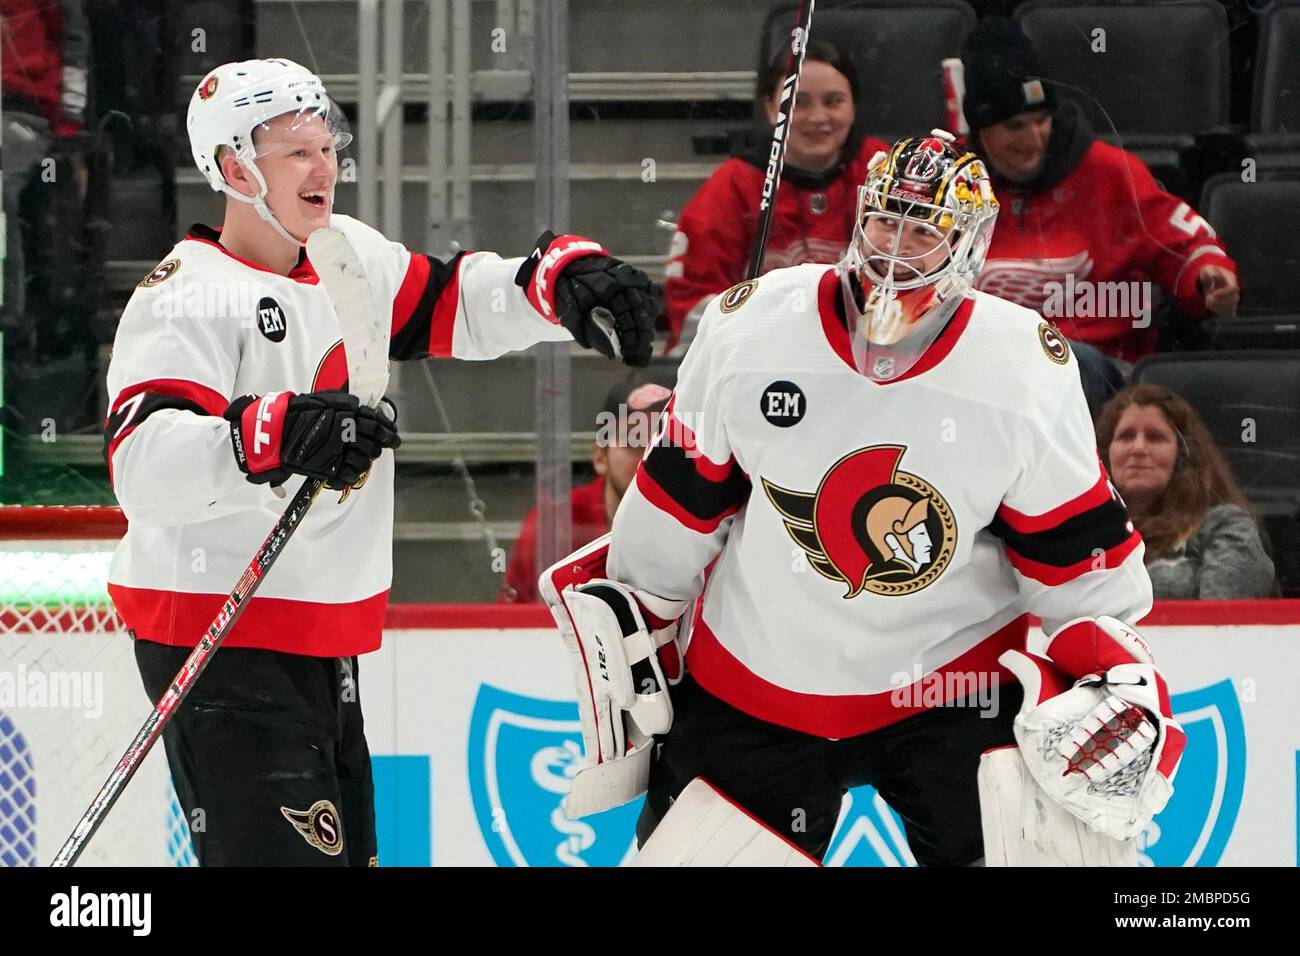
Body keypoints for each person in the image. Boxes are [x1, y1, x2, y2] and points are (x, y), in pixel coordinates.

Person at [546, 132, 1184, 865]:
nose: (897, 245)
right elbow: (677, 511)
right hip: (759, 684)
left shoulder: (1022, 367)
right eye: (887, 218)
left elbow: (1077, 562)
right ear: (860, 217)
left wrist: (1114, 676)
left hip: (954, 693)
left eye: (924, 227)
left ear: (969, 244)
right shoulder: (750, 326)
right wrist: (638, 628)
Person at [104, 58, 658, 866]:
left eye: (325, 143)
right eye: (295, 150)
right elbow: (141, 461)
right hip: (218, 634)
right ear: (233, 168)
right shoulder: (183, 295)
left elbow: (453, 302)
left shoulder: (343, 255)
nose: (323, 164)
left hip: (320, 633)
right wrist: (272, 435)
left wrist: (555, 282)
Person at [962, 18, 1240, 367]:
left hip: (1098, 368)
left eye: (1041, 120)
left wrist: (1208, 274)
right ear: (980, 131)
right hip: (986, 367)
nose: (1034, 141)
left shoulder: (1110, 172)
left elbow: (1188, 243)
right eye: (1015, 126)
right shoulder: (954, 180)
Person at [662, 42, 890, 351]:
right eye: (799, 102)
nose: (818, 117)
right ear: (771, 109)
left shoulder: (886, 172)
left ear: (854, 107)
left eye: (834, 102)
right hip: (759, 362)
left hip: (872, 360)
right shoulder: (733, 186)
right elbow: (692, 306)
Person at [500, 366, 675, 604]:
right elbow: (515, 625)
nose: (649, 456)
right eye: (635, 439)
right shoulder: (556, 524)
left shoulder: (716, 519)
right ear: (600, 456)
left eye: (666, 443)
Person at [1097, 384, 1275, 599]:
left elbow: (1221, 621)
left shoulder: (1225, 526)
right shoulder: (1083, 534)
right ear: (1107, 453)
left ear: (1183, 455)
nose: (1138, 448)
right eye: (1126, 436)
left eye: (1154, 437)